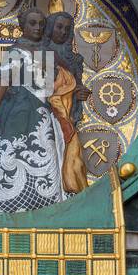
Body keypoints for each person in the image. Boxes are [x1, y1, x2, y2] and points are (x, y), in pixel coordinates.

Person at [0, 9, 67, 212]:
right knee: (11, 153)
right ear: (23, 26)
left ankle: (40, 202)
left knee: (45, 152)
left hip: (42, 111)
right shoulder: (16, 51)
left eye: (41, 24)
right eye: (32, 23)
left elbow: (60, 81)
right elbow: (3, 79)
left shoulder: (47, 51)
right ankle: (5, 199)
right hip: (18, 109)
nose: (37, 28)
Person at [42, 11, 91, 195]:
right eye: (59, 27)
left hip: (68, 112)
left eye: (67, 29)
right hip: (49, 113)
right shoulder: (41, 54)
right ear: (50, 29)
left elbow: (76, 84)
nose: (62, 32)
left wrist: (79, 92)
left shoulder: (76, 60)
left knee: (68, 153)